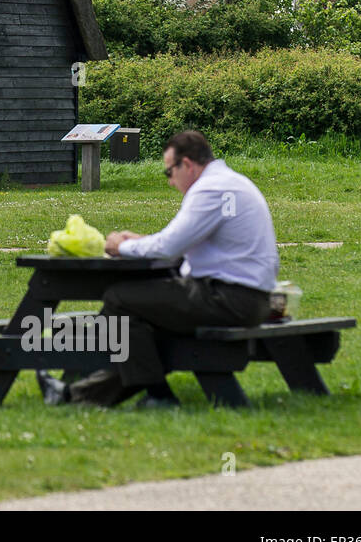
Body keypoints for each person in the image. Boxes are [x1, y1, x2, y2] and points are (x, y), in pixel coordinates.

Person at [37, 130, 278, 408]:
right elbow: (185, 240)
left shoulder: (211, 190)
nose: (170, 181)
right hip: (250, 299)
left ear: (186, 164)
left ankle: (158, 395)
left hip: (229, 299)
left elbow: (169, 246)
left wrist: (120, 247)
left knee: (119, 300)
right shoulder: (229, 182)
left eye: (169, 172)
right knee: (140, 335)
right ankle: (73, 396)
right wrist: (142, 241)